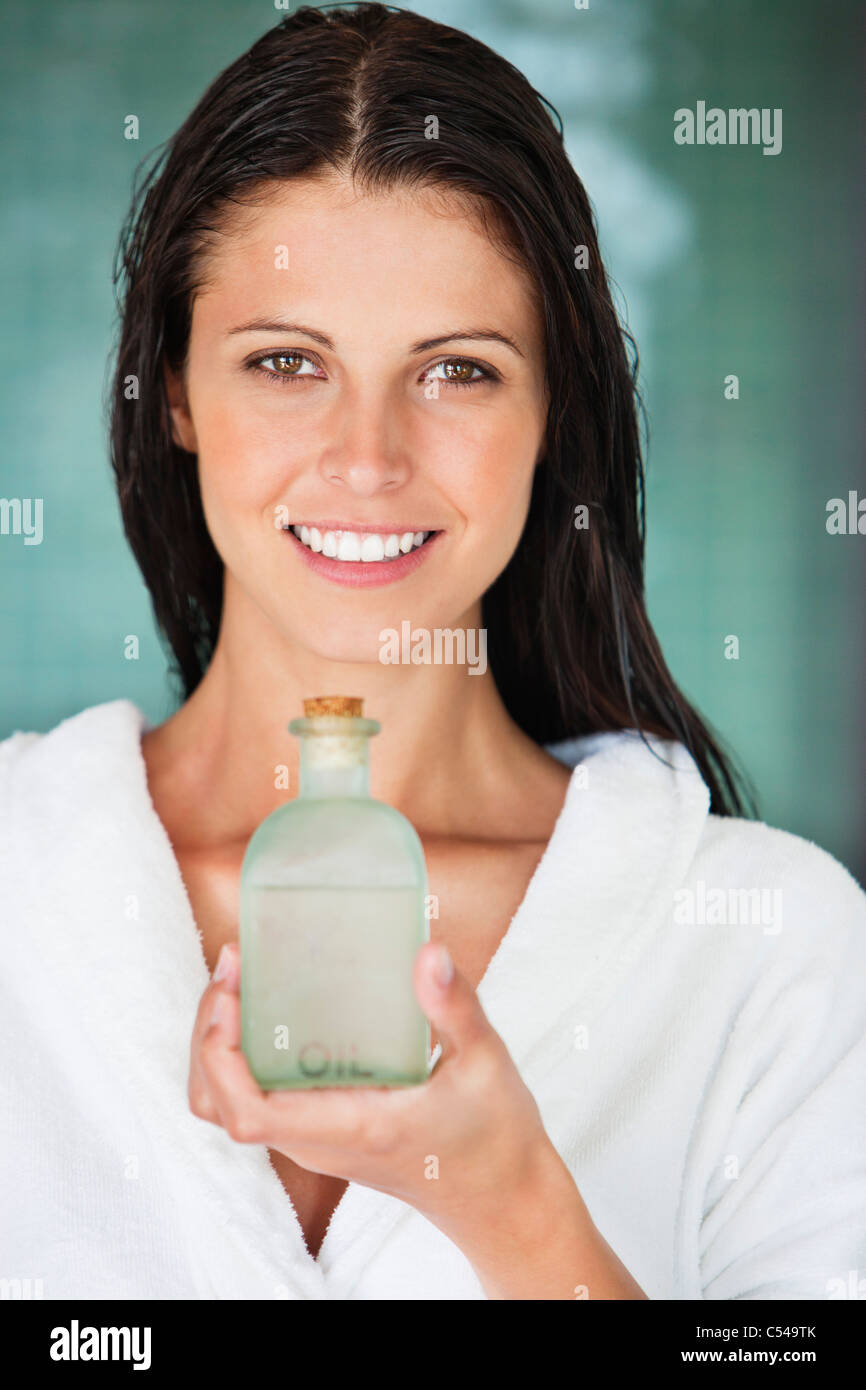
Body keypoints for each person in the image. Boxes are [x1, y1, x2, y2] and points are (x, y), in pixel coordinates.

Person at [2, 3, 864, 1301]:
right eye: (286, 360)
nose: (365, 460)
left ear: (552, 409)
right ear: (173, 389)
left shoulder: (774, 948)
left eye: (455, 370)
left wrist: (510, 1202)